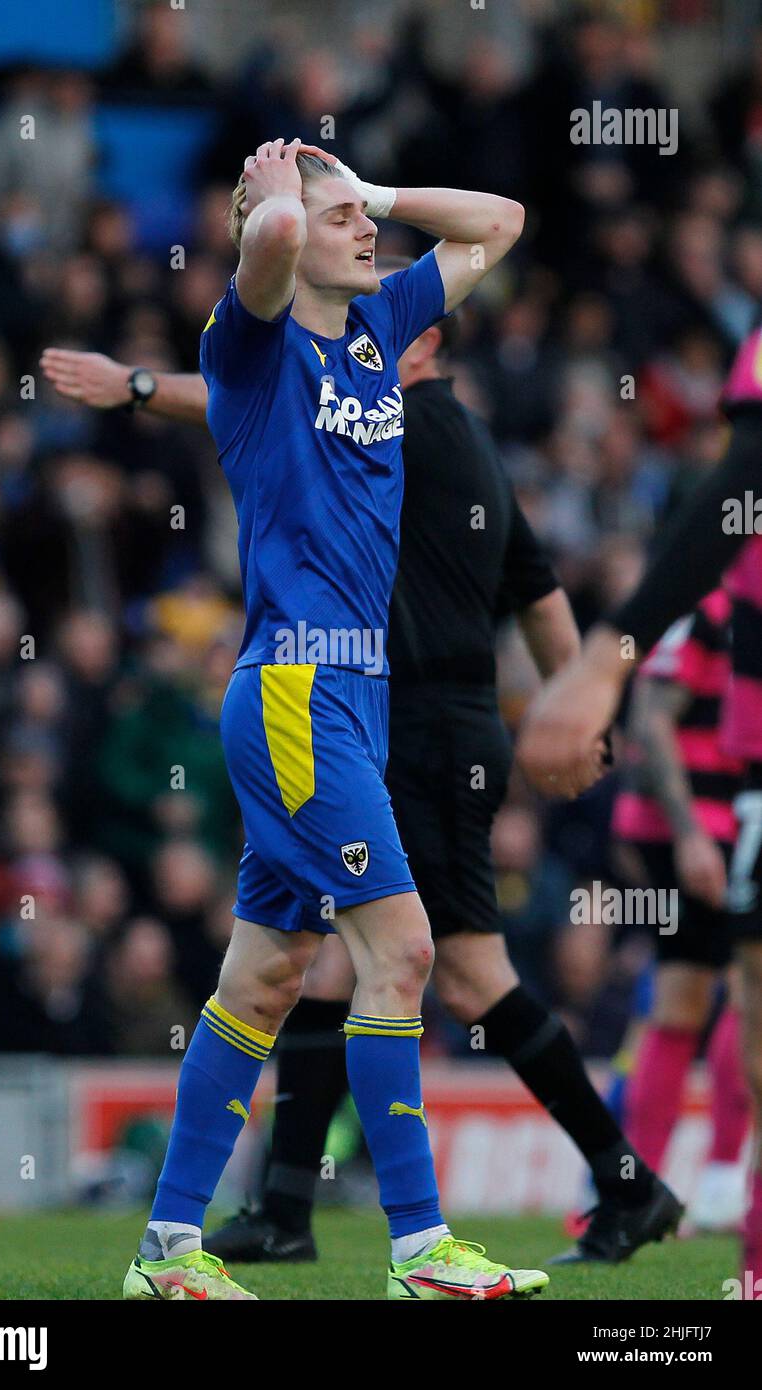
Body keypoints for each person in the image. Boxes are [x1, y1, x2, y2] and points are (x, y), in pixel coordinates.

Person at [44, 253, 682, 1268]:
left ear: (419, 344)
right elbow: (539, 588)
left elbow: (243, 396)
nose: (360, 338)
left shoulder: (390, 423)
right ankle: (269, 1220)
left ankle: (575, 1189)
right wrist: (578, 705)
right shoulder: (463, 441)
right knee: (321, 962)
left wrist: (132, 388)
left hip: (401, 722)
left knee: (431, 966)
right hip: (389, 717)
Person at [516, 322, 762, 1284]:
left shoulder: (712, 563)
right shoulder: (711, 576)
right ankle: (658, 1192)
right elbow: (655, 714)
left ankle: (679, 1187)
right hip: (696, 815)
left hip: (712, 807)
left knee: (706, 995)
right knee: (699, 995)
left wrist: (600, 660)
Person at [611, 591, 749, 1223]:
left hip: (707, 830)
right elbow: (650, 720)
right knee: (734, 990)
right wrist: (691, 833)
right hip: (703, 831)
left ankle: (643, 1185)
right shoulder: (709, 611)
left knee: (684, 998)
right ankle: (713, 1176)